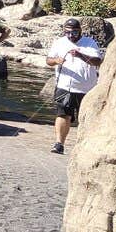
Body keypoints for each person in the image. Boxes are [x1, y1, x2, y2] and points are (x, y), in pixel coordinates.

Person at [45, 18, 104, 154]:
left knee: (87, 117)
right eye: (68, 32)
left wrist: (80, 55)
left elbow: (97, 62)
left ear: (80, 31)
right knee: (63, 114)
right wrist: (56, 60)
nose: (71, 35)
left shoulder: (90, 43)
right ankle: (59, 144)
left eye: (75, 33)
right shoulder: (59, 43)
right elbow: (48, 60)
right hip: (65, 85)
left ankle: (85, 146)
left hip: (86, 88)